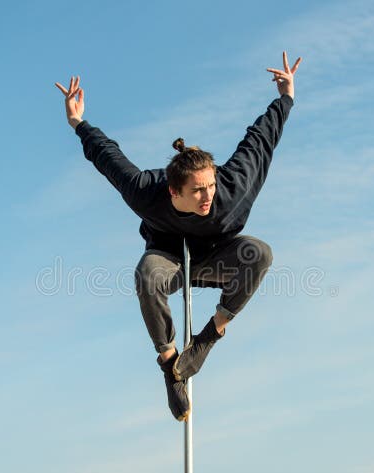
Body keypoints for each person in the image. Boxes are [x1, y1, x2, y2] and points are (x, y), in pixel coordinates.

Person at [55, 51, 301, 421]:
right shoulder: (146, 191)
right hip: (169, 262)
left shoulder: (232, 188)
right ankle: (171, 366)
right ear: (174, 191)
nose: (208, 196)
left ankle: (209, 337)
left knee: (260, 253)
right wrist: (78, 122)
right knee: (147, 274)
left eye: (210, 186)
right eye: (198, 191)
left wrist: (285, 98)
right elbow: (108, 157)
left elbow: (262, 138)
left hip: (217, 260)